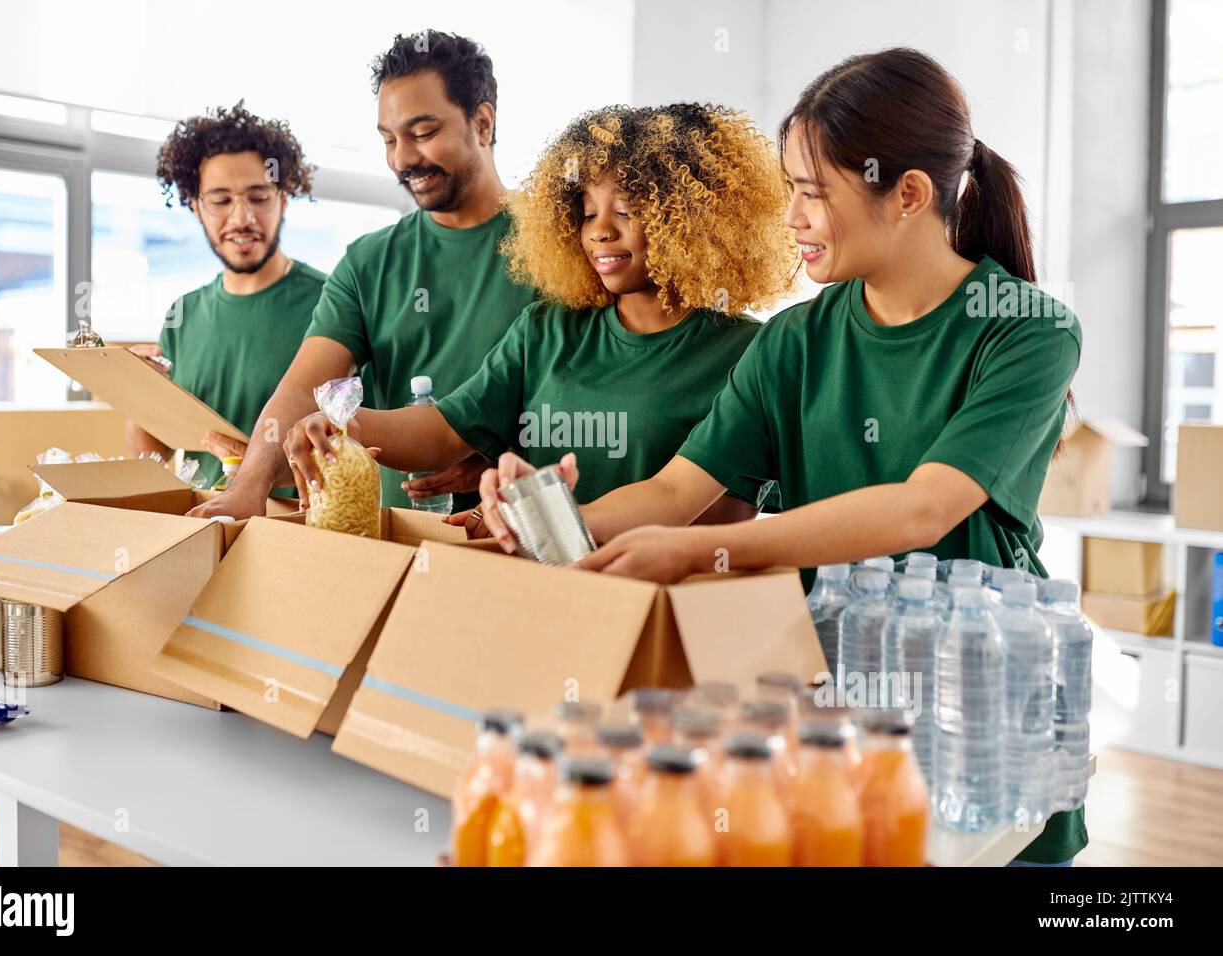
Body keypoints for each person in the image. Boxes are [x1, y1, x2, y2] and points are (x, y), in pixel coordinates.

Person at [476, 49, 1086, 866]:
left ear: (907, 193)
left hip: (973, 708)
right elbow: (676, 488)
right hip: (829, 695)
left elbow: (922, 507)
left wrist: (703, 549)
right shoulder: (799, 339)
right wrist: (547, 515)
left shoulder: (1025, 331)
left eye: (812, 192)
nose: (791, 216)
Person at [281, 104, 794, 524]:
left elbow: (718, 510)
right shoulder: (547, 329)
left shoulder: (748, 351)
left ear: (692, 218)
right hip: (547, 589)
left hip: (670, 608)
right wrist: (338, 423)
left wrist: (549, 521)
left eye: (629, 210)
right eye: (587, 212)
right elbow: (439, 434)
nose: (600, 232)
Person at [188, 30, 539, 518]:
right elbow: (301, 389)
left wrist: (510, 461)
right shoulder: (370, 262)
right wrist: (249, 484)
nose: (402, 159)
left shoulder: (558, 247)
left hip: (520, 529)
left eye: (422, 133)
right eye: (389, 140)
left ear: (482, 122)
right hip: (396, 532)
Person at [125, 102, 325, 491]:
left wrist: (260, 465)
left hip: (298, 531)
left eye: (258, 196)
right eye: (220, 200)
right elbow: (153, 454)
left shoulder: (331, 304)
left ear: (283, 199)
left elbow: (358, 440)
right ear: (196, 207)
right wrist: (139, 392)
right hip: (208, 526)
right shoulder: (183, 314)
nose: (241, 218)